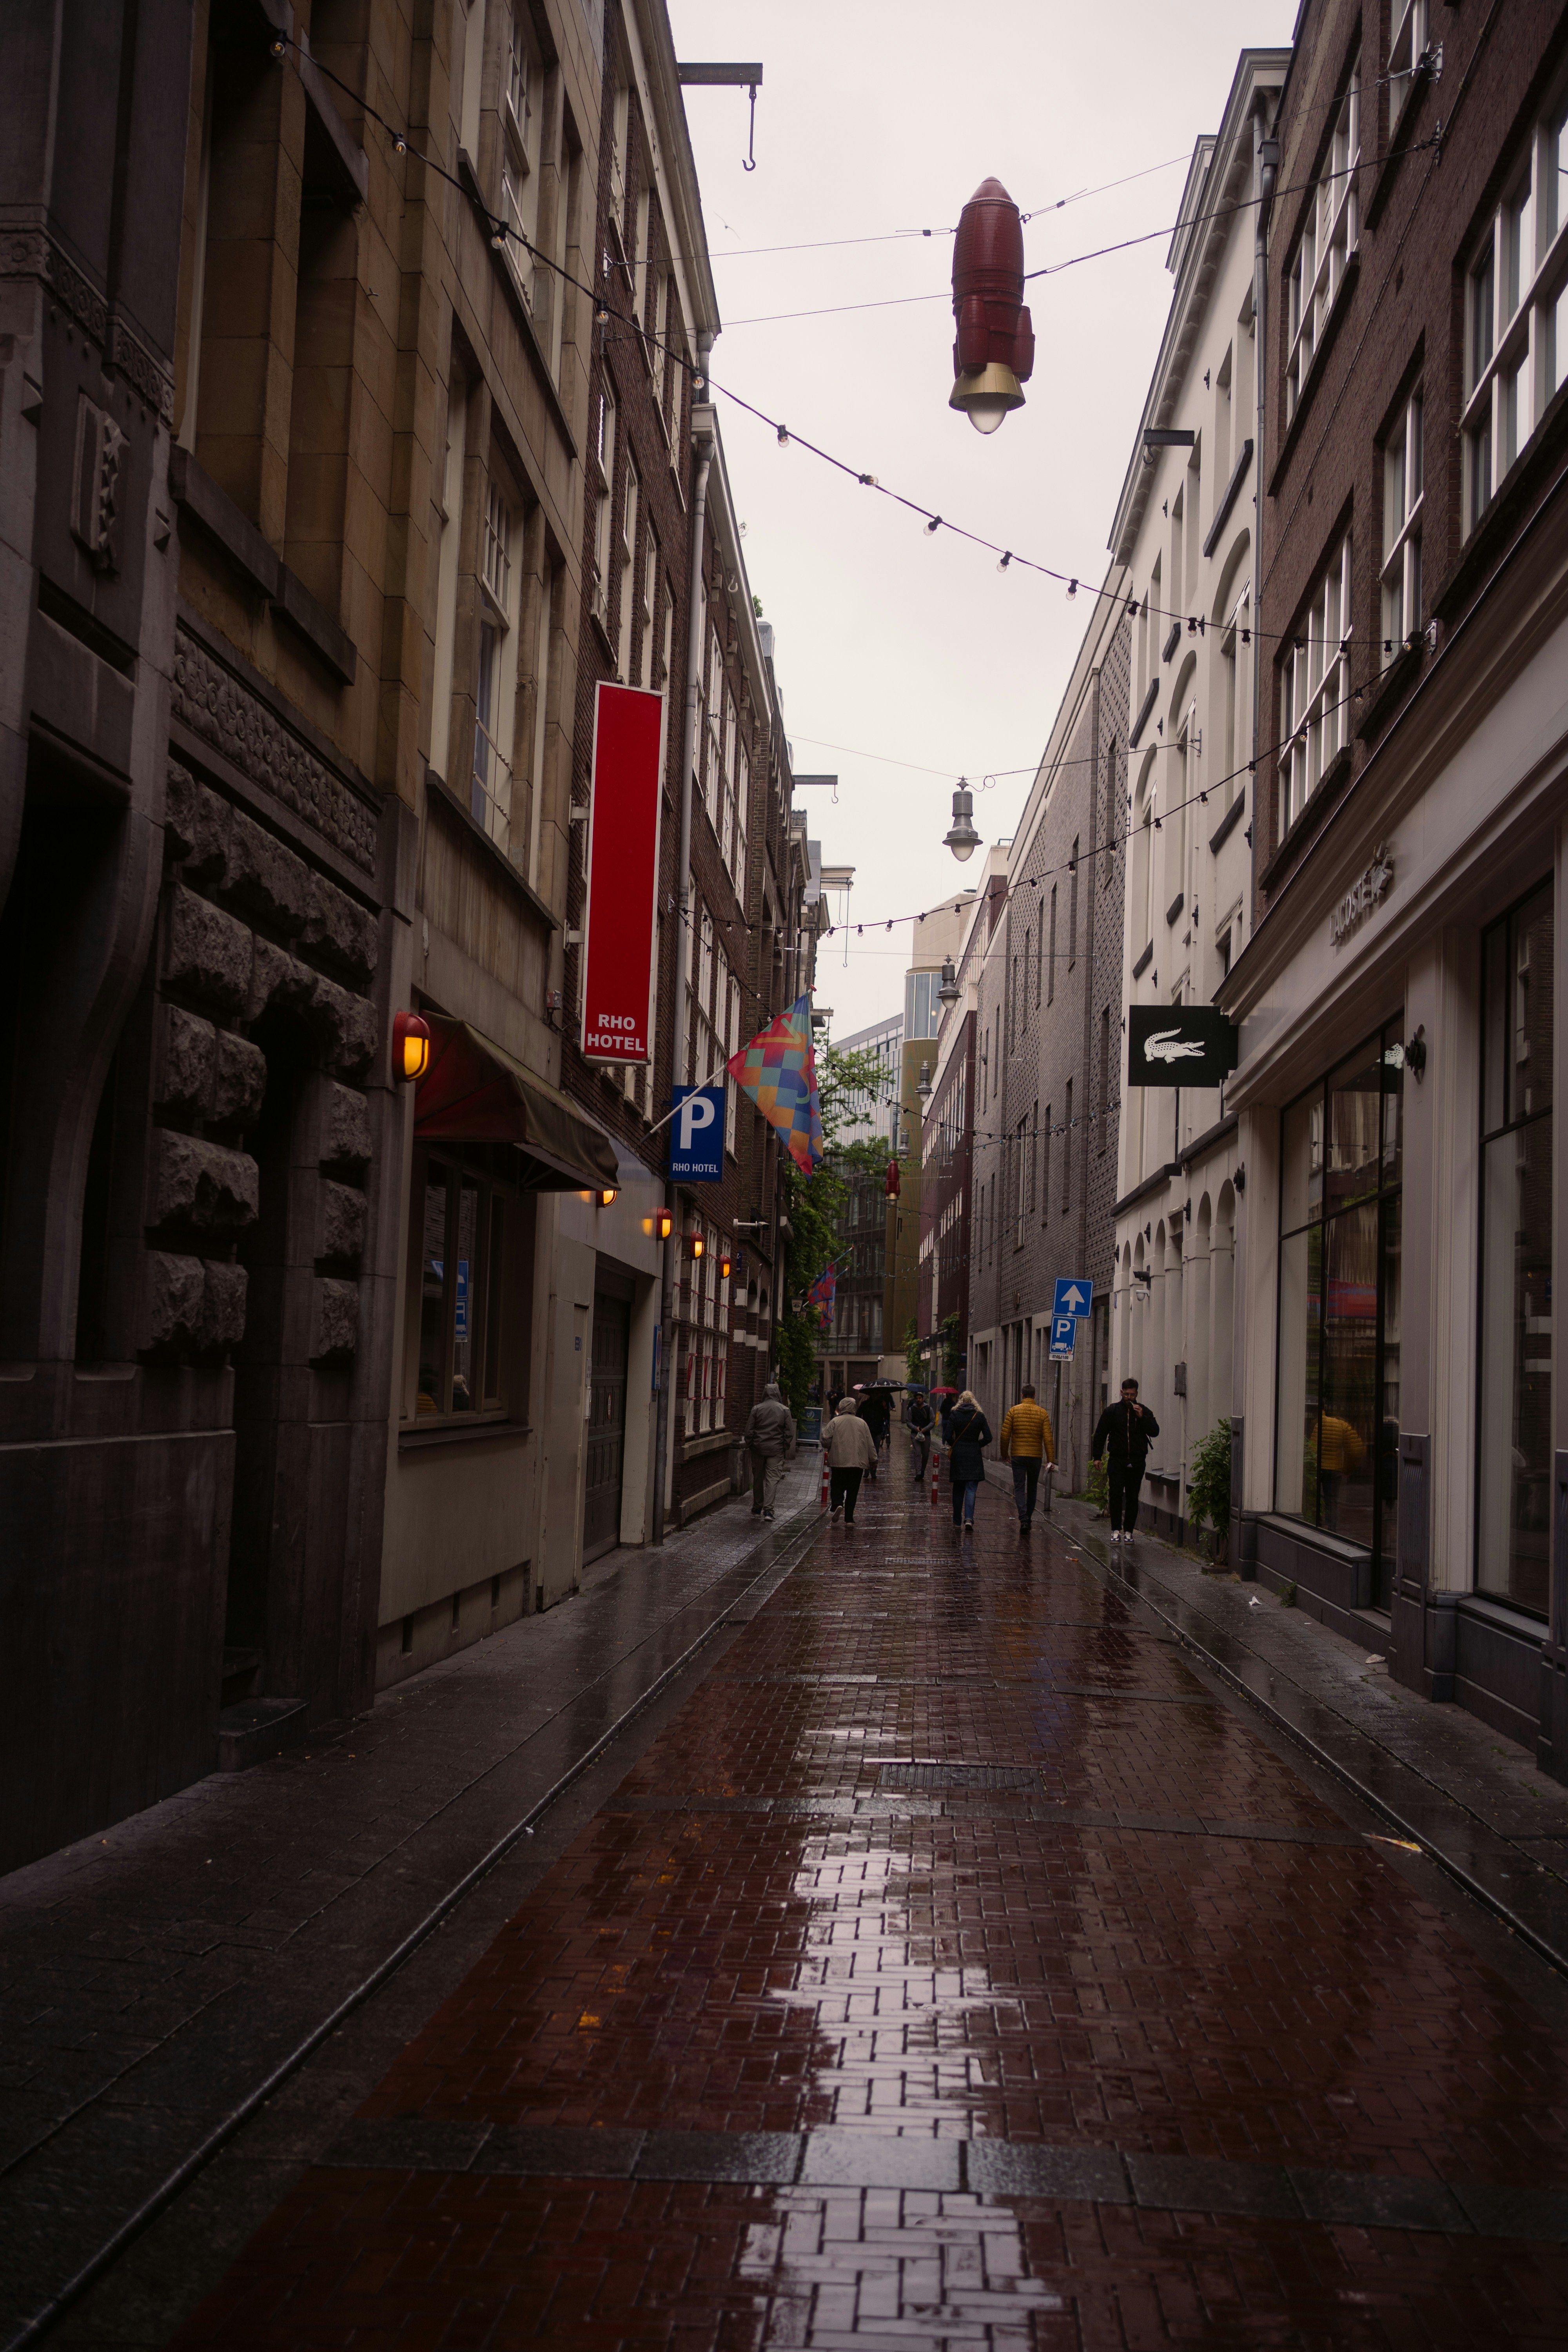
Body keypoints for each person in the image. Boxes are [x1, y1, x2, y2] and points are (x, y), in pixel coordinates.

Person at [1091, 1378, 1159, 1544]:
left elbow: (1155, 1431)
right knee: (1115, 1494)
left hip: (1137, 1461)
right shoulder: (1112, 1411)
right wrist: (1097, 1457)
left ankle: (1129, 1531)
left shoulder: (1143, 1411)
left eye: (1133, 1395)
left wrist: (1142, 1417)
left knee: (1132, 1496)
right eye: (1127, 1394)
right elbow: (1100, 1434)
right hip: (1117, 1460)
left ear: (1137, 1394)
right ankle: (1116, 1530)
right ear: (1122, 1393)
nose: (1130, 1398)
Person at [999, 1384, 1055, 1533]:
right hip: (1035, 1457)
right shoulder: (1043, 1414)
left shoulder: (1013, 1411)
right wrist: (1051, 1460)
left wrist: (1005, 1455)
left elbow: (1005, 1435)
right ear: (1035, 1396)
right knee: (1032, 1488)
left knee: (1019, 1487)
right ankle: (1028, 1519)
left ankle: (1023, 1518)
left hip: (1018, 1456)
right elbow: (1048, 1439)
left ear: (1022, 1395)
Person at [743, 1380, 796, 1520]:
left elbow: (749, 1431)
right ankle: (768, 1511)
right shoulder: (784, 1410)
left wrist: (750, 1445)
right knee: (772, 1480)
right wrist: (784, 1446)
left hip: (758, 1448)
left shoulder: (757, 1409)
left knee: (758, 1478)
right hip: (776, 1450)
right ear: (778, 1394)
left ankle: (757, 1508)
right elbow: (790, 1432)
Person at [824, 1395, 878, 1525]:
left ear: (841, 1407)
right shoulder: (862, 1423)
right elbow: (870, 1443)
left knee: (837, 1484)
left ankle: (837, 1503)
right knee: (853, 1490)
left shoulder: (835, 1422)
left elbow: (825, 1440)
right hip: (857, 1463)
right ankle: (849, 1519)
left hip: (839, 1461)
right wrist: (873, 1459)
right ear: (855, 1408)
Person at [947, 1389, 992, 1532]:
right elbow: (989, 1437)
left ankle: (956, 1520)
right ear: (974, 1401)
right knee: (971, 1489)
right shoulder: (979, 1416)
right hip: (974, 1456)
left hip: (958, 1456)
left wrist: (955, 1444)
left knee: (958, 1489)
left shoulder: (955, 1414)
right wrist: (977, 1445)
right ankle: (969, 1519)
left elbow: (947, 1435)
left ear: (961, 1400)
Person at [907, 1390, 934, 1485]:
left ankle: (923, 1470)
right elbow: (909, 1422)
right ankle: (918, 1473)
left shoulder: (929, 1409)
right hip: (915, 1435)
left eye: (920, 1398)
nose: (918, 1400)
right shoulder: (912, 1410)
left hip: (926, 1435)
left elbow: (933, 1421)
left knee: (926, 1454)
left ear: (923, 1399)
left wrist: (925, 1429)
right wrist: (916, 1428)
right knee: (917, 1453)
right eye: (917, 1398)